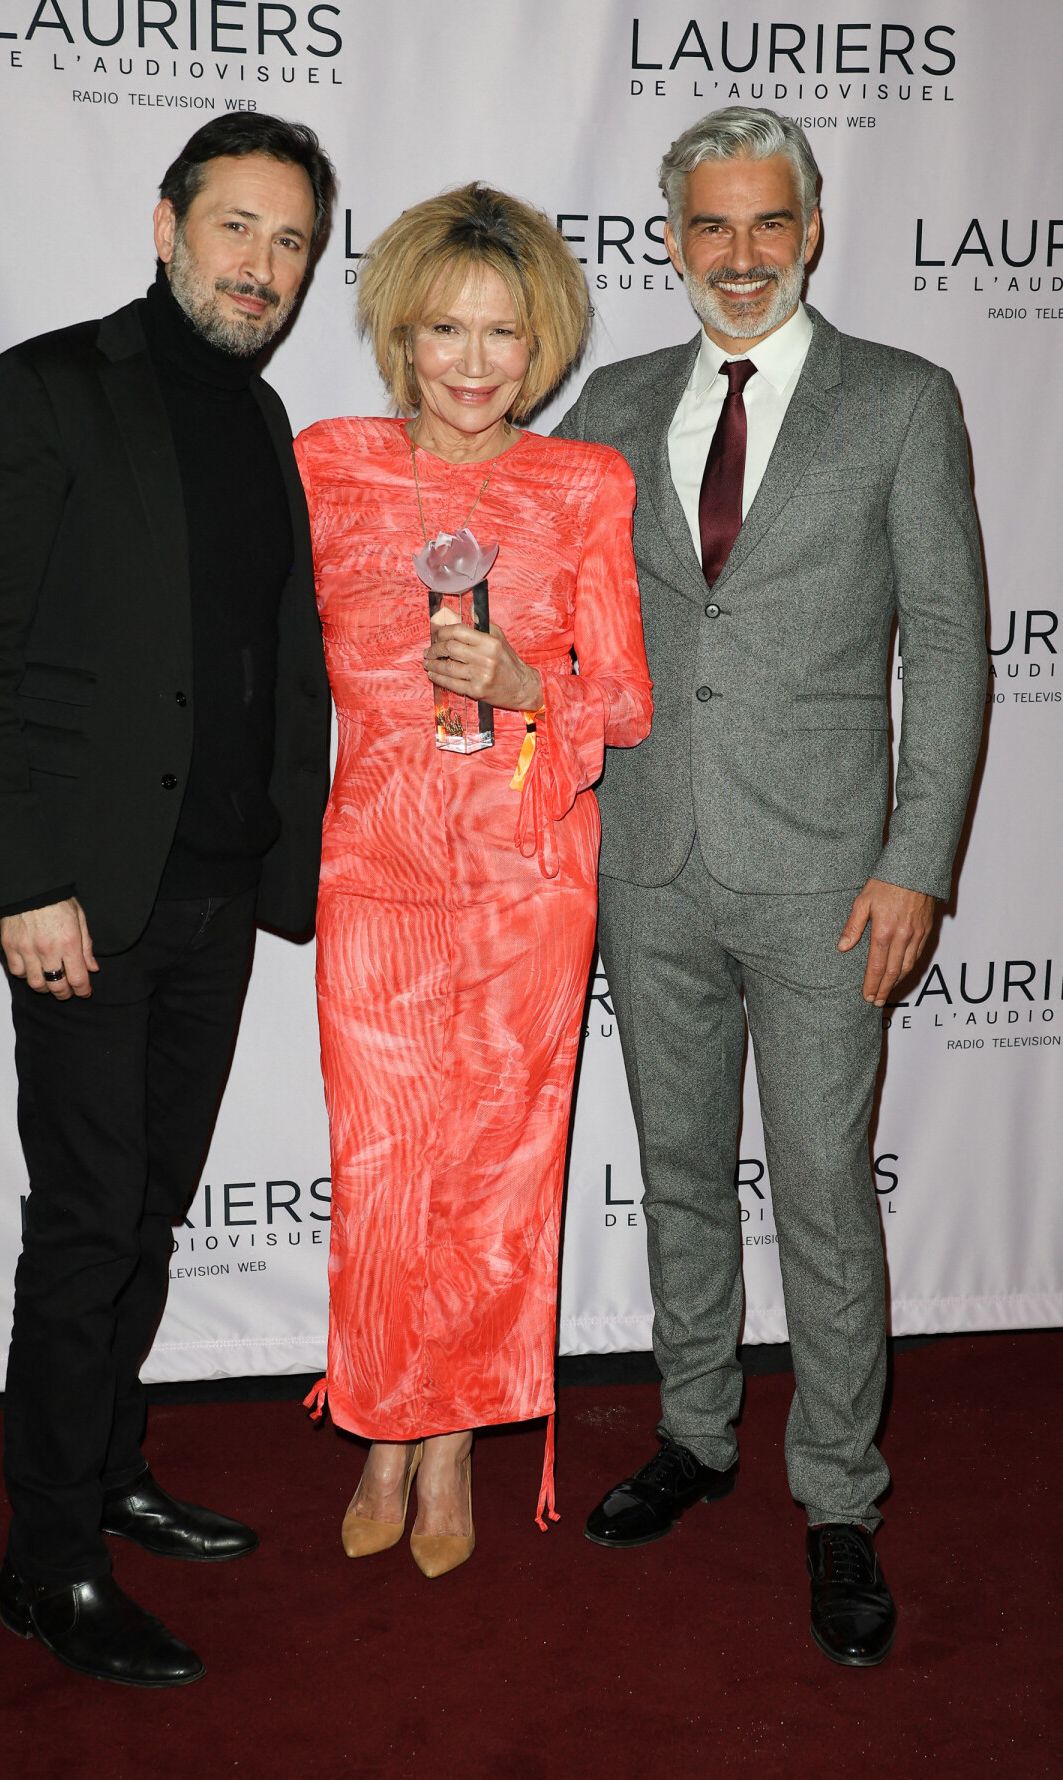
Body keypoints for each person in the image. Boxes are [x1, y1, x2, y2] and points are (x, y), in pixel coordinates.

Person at [555, 107, 986, 1666]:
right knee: (679, 1172)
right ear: (671, 239)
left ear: (812, 225)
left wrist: (915, 868)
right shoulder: (606, 403)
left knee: (819, 1187)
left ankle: (840, 1499)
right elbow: (560, 627)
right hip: (647, 862)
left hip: (828, 885)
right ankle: (695, 1431)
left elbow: (945, 647)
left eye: (767, 225)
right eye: (707, 229)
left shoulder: (902, 400)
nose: (739, 257)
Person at [0, 114, 334, 1687]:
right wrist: (24, 881)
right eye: (236, 228)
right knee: (86, 1224)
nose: (262, 266)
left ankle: (109, 1468)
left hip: (217, 895)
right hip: (84, 903)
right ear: (165, 225)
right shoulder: (45, 388)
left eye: (289, 243)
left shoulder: (265, 413)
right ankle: (49, 1563)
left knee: (148, 1209)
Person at [294, 184, 652, 1576]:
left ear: (544, 343)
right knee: (385, 1167)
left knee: (500, 1175)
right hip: (375, 867)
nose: (472, 359)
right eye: (444, 324)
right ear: (398, 330)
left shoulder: (583, 485)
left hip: (526, 875)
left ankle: (446, 1456)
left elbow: (621, 701)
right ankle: (383, 1419)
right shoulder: (330, 463)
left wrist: (526, 685)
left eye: (504, 332)